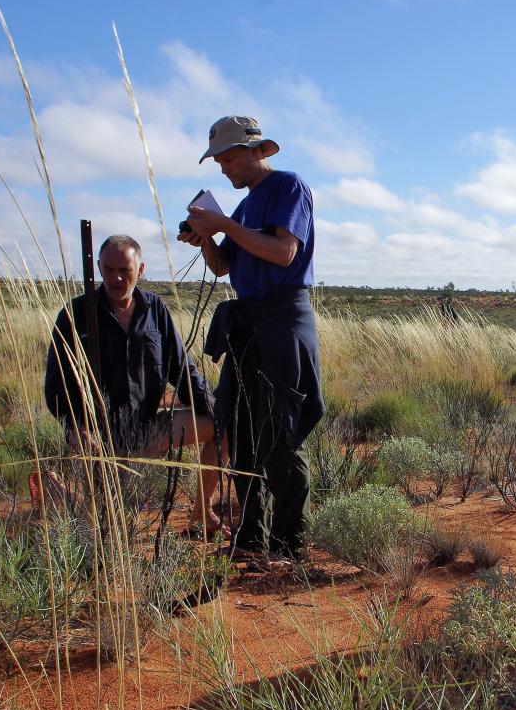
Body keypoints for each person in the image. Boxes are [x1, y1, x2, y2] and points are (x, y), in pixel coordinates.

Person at [177, 115, 324, 566]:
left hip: (283, 320)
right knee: (239, 432)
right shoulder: (243, 209)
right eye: (218, 162)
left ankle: (287, 546)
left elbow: (283, 252)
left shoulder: (288, 187)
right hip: (248, 324)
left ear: (257, 151)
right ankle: (251, 538)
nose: (224, 168)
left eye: (229, 158)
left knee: (279, 434)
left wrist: (223, 222)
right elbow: (223, 266)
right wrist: (205, 237)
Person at [44, 234, 217, 530]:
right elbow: (56, 385)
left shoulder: (154, 310)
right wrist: (76, 427)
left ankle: (202, 512)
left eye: (125, 270)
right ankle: (56, 491)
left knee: (221, 425)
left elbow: (181, 368)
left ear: (141, 269)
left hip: (149, 429)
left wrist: (213, 406)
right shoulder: (75, 314)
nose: (116, 278)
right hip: (100, 439)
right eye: (109, 269)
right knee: (107, 529)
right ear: (98, 267)